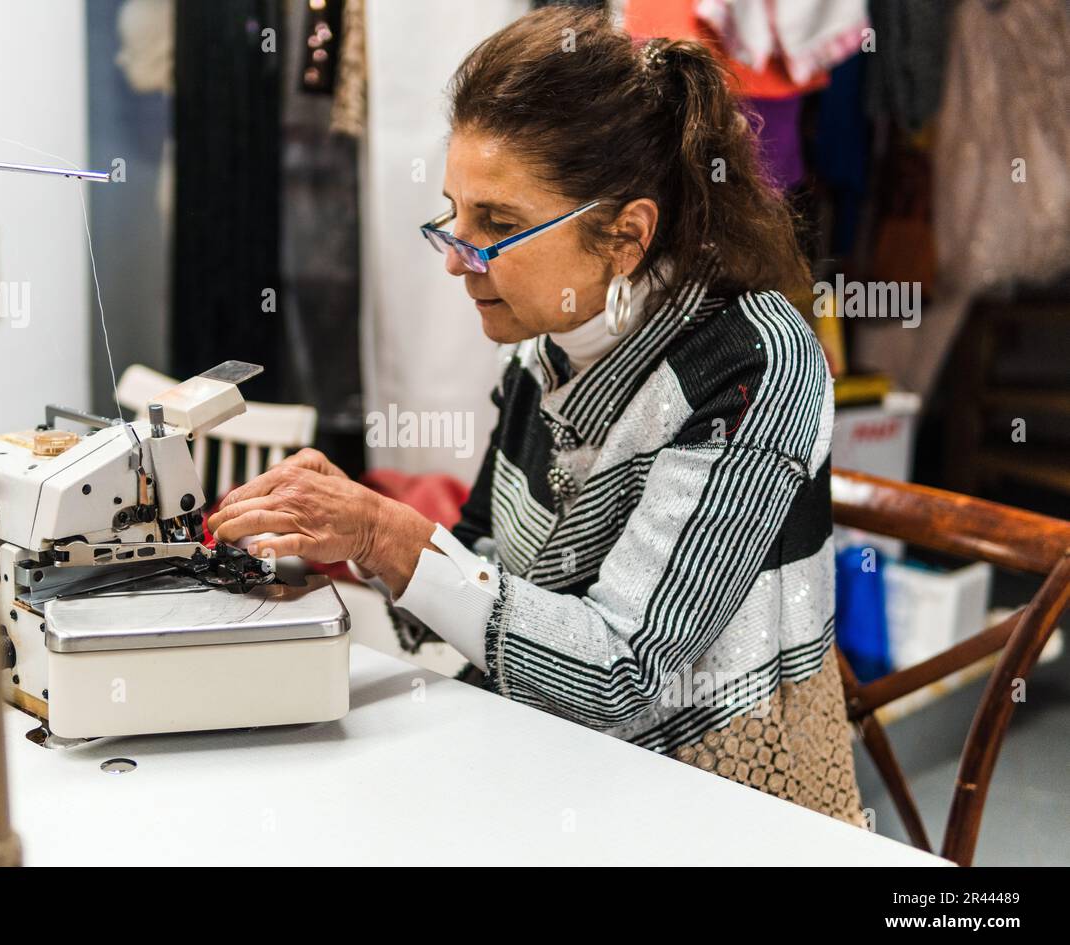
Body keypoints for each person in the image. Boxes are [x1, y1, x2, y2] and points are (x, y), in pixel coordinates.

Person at [208, 6, 863, 825]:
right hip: (557, 762)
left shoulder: (753, 367)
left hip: (723, 803)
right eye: (454, 212)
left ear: (626, 237)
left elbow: (622, 674)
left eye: (498, 226)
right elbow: (488, 556)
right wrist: (341, 552)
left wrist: (392, 539)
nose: (455, 256)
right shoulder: (543, 341)